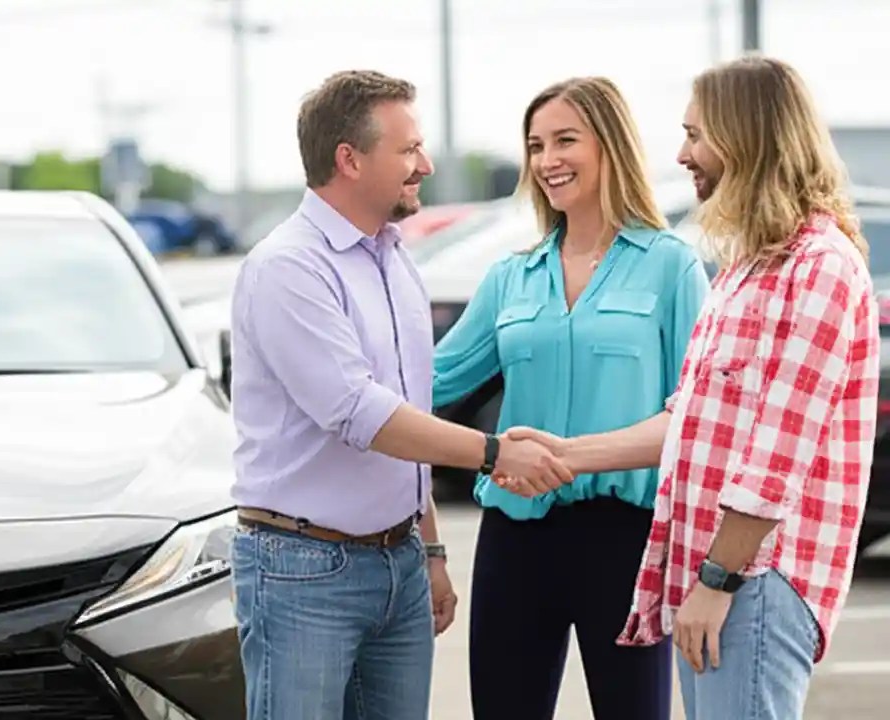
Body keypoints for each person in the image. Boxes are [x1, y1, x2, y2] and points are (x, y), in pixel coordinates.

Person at [511, 56, 879, 720]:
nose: (683, 154)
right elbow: (690, 420)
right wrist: (565, 455)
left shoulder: (821, 268)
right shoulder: (746, 269)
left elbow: (777, 453)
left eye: (697, 135)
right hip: (718, 575)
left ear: (748, 137)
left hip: (755, 580)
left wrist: (717, 581)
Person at [227, 69, 573, 720]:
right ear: (349, 159)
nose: (426, 164)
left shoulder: (394, 259)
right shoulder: (287, 268)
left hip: (399, 565)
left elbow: (406, 411)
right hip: (303, 572)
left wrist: (430, 548)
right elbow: (358, 412)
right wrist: (496, 452)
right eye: (408, 149)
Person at [431, 76, 710, 719]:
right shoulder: (511, 277)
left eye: (565, 141)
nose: (547, 160)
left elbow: (694, 415)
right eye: (535, 145)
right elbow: (426, 385)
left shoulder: (671, 266)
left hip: (625, 541)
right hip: (514, 540)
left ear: (609, 145)